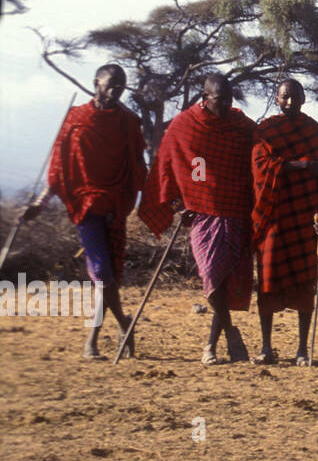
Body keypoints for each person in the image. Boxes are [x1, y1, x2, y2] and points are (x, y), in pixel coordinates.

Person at [24, 64, 147, 359]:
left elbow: (138, 166)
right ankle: (100, 337)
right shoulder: (76, 119)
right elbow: (58, 166)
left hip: (115, 207)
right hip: (86, 206)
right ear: (97, 83)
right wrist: (40, 203)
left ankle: (118, 328)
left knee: (109, 276)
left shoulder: (129, 122)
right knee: (104, 273)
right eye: (111, 85)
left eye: (121, 86)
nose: (116, 90)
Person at [138, 73, 257, 365]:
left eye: (230, 99)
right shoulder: (184, 126)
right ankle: (230, 333)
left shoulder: (241, 126)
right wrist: (180, 202)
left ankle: (210, 347)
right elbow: (171, 164)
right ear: (205, 98)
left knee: (225, 282)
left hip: (235, 211)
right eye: (220, 100)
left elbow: (259, 156)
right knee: (211, 279)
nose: (226, 105)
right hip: (203, 215)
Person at [250, 79, 318, 365]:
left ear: (305, 98)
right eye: (285, 98)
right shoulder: (264, 132)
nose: (290, 103)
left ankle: (302, 349)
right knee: (268, 280)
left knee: (305, 280)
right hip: (272, 214)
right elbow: (260, 167)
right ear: (277, 98)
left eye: (295, 97)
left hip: (304, 215)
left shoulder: (317, 134)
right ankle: (266, 347)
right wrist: (299, 165)